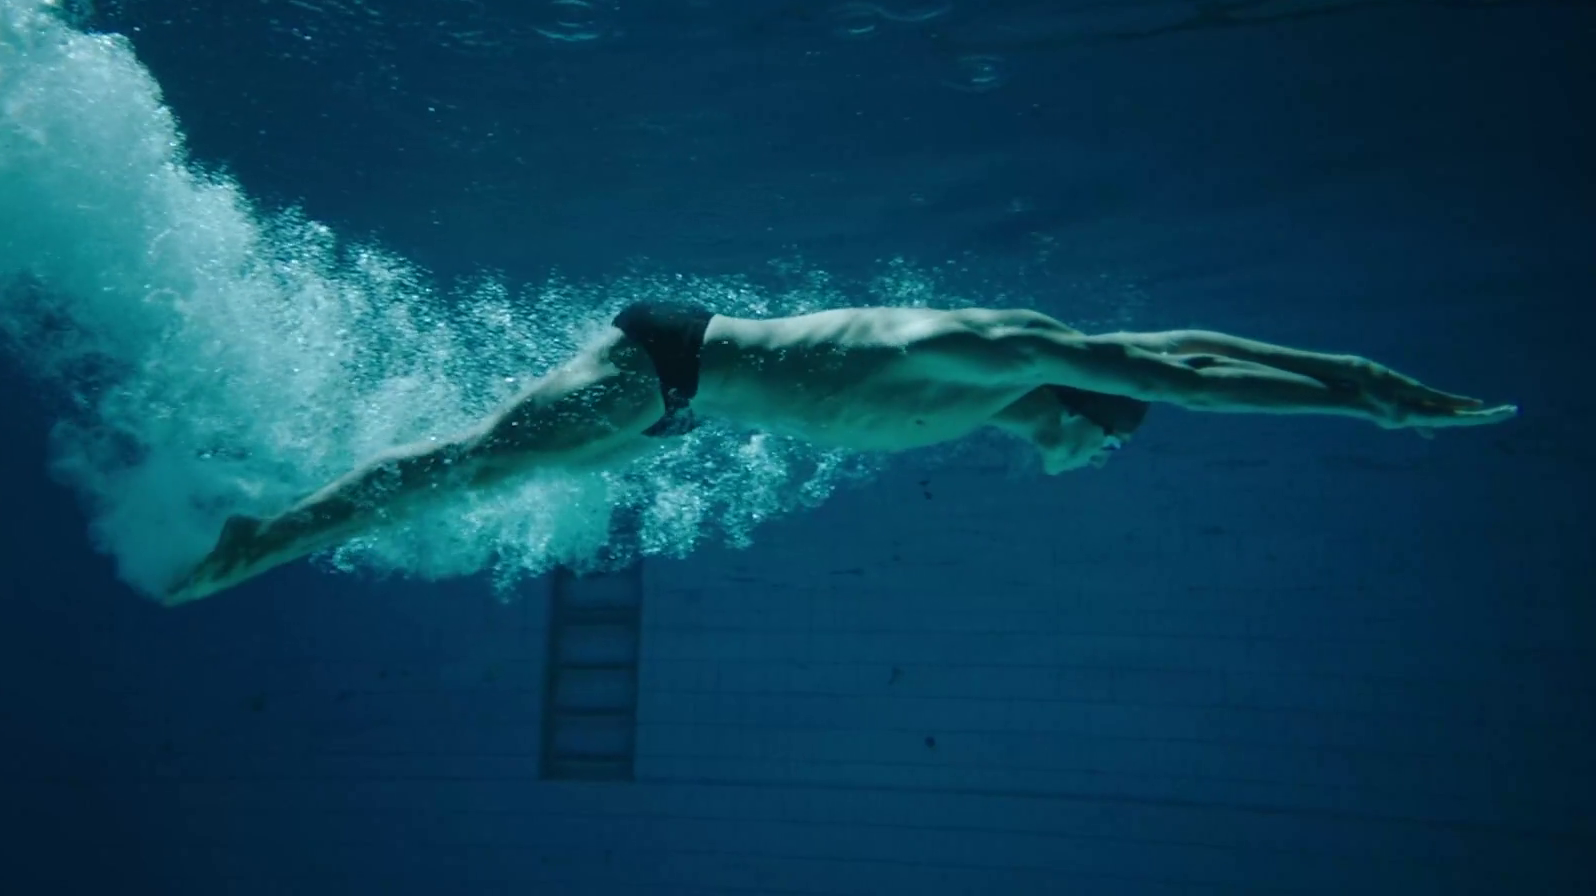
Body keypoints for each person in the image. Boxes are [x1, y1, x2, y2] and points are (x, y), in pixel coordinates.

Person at [162, 303, 1516, 605]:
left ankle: (264, 515)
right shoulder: (996, 357)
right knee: (475, 468)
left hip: (676, 402)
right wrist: (1356, 388)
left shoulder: (1005, 401)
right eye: (1083, 445)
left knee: (499, 472)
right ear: (1077, 407)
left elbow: (1160, 337)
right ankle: (258, 537)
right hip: (666, 364)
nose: (1066, 461)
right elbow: (1178, 369)